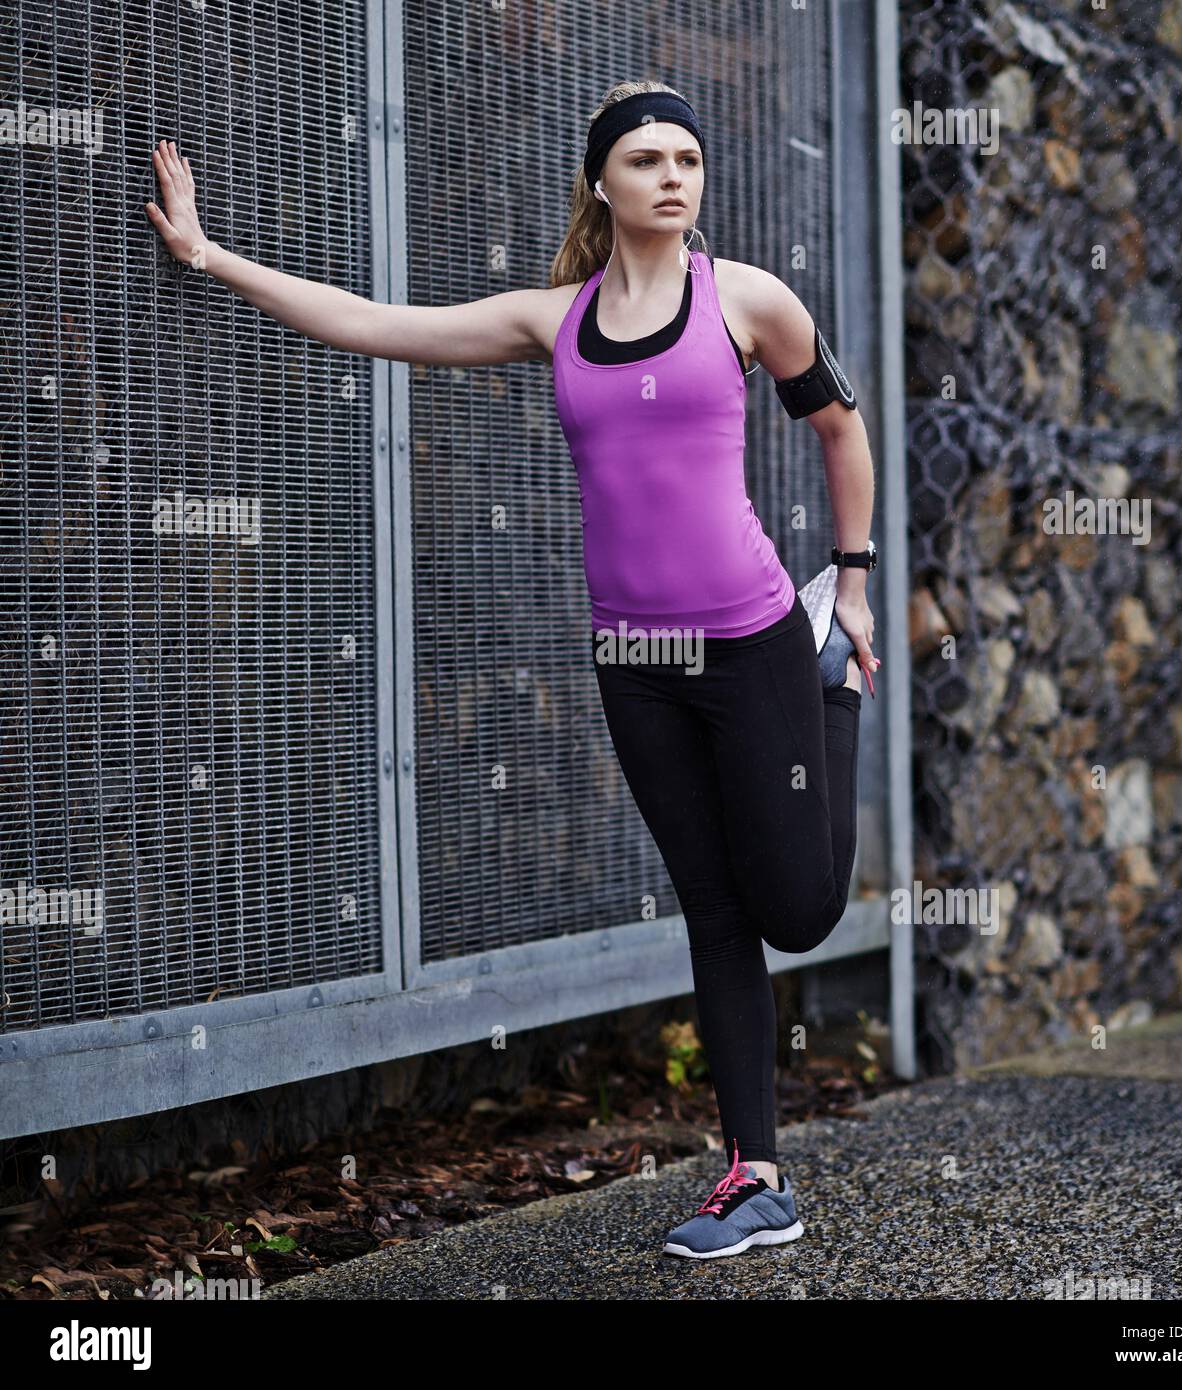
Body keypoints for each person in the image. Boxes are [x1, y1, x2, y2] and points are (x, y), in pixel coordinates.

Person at [143, 77, 880, 1261]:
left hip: (754, 642)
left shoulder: (745, 300)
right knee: (712, 908)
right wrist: (210, 254)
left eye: (687, 159)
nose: (672, 177)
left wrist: (849, 582)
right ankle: (756, 1178)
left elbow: (839, 426)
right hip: (633, 657)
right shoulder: (554, 320)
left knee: (796, 913)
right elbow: (373, 322)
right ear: (601, 181)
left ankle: (833, 686)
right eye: (646, 160)